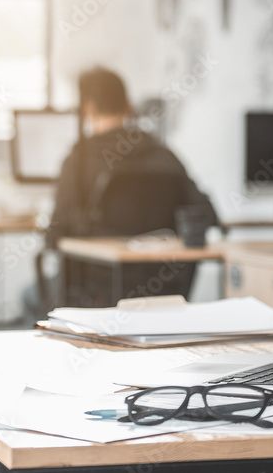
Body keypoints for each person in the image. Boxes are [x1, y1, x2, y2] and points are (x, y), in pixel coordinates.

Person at [43, 67, 218, 305]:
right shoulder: (164, 154)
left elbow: (55, 234)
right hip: (164, 292)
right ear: (128, 106)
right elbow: (205, 213)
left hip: (96, 298)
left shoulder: (79, 160)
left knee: (29, 295)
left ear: (88, 109)